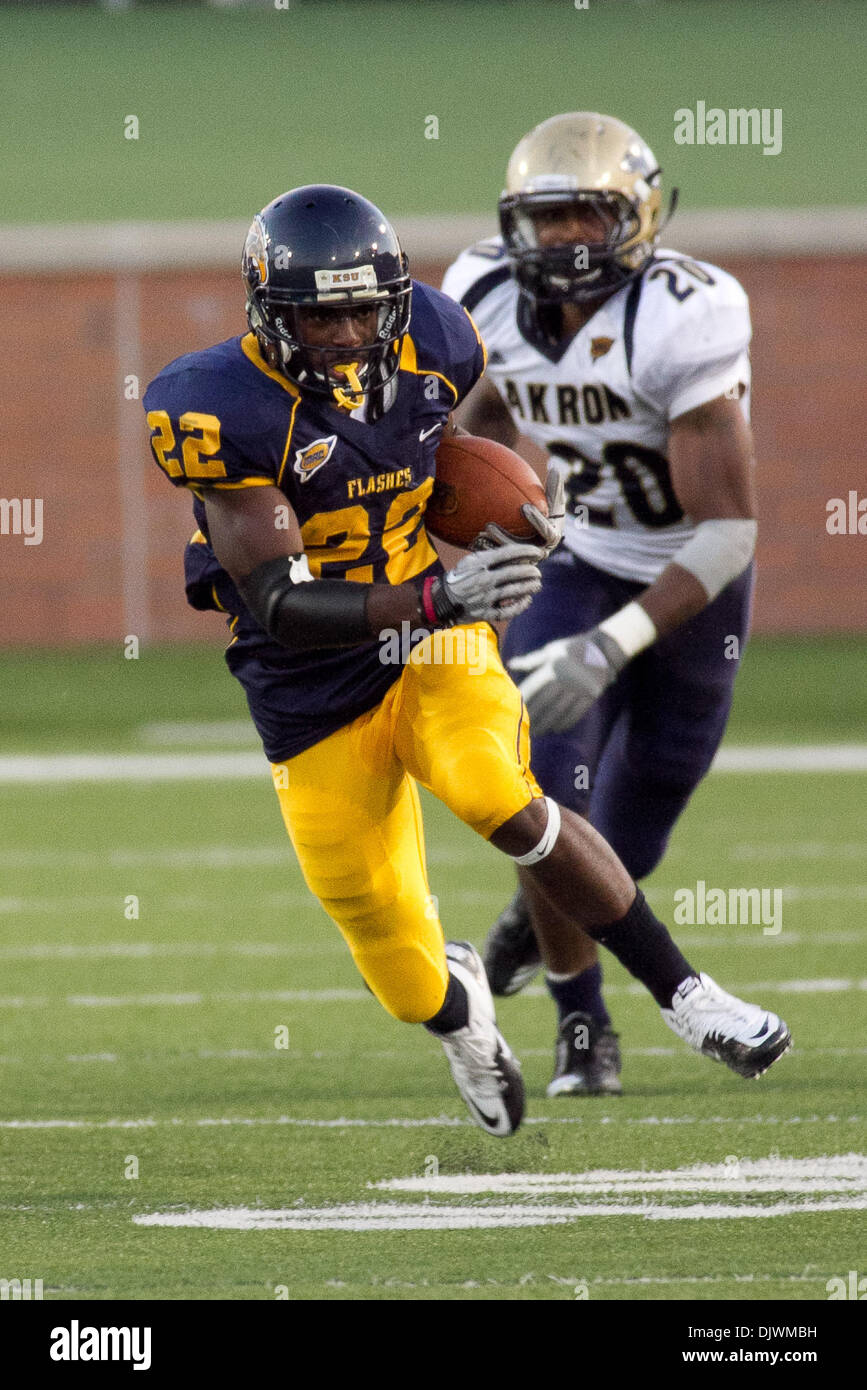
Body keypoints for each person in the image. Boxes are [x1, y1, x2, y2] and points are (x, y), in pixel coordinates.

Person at [144, 183, 790, 1138]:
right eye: (323, 315)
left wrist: (525, 510)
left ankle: (687, 996)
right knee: (391, 951)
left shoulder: (438, 340)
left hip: (431, 650)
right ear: (270, 316)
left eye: (366, 308)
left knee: (497, 789)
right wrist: (435, 594)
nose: (350, 334)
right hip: (309, 683)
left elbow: (450, 450)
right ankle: (462, 1018)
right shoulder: (216, 408)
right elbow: (279, 604)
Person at [442, 113, 762, 1099]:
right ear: (515, 223)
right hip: (577, 559)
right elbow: (483, 436)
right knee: (541, 791)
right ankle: (584, 1026)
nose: (570, 238)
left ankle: (525, 929)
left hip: (689, 574)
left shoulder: (687, 313)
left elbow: (729, 529)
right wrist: (495, 544)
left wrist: (611, 646)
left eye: (592, 214)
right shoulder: (483, 295)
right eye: (551, 218)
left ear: (640, 215)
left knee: (635, 827)